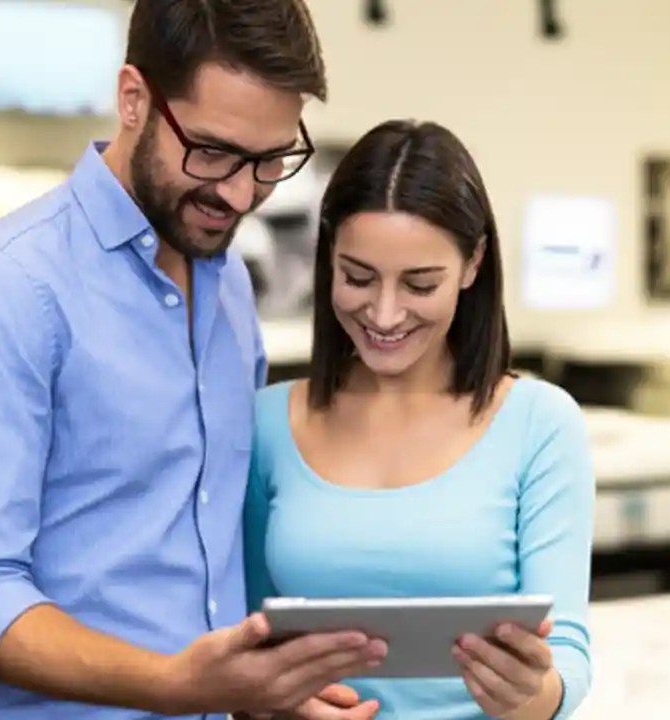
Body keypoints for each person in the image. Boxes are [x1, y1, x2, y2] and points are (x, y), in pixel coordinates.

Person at [0, 1, 387, 718]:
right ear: (134, 99)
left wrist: (262, 692)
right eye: (214, 152)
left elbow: (203, 558)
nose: (240, 193)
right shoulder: (5, 289)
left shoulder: (226, 288)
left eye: (269, 161)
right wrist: (176, 685)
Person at [243, 119, 596, 719]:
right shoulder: (266, 425)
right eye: (357, 277)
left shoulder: (540, 424)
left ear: (473, 262)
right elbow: (246, 647)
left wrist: (528, 693)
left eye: (420, 284)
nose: (383, 313)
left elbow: (566, 663)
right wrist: (275, 703)